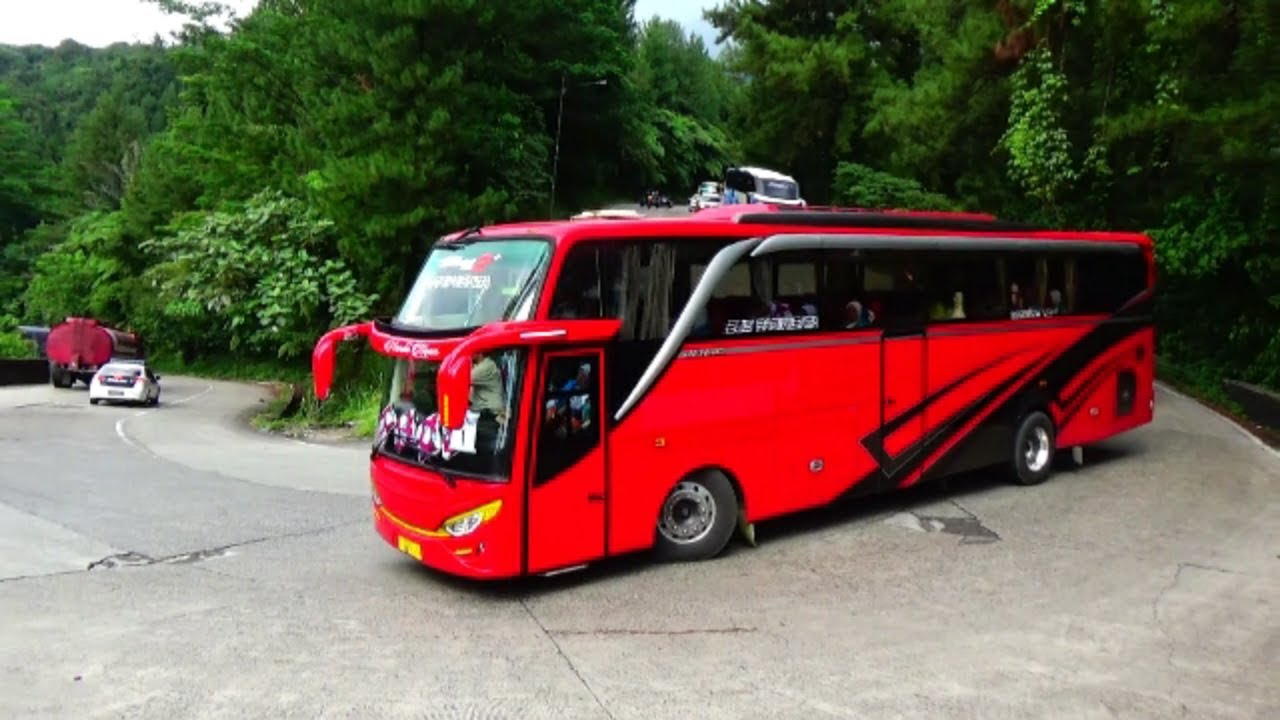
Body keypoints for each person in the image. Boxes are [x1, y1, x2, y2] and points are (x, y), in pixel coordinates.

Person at [469, 353, 506, 423]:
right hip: (485, 415)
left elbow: (462, 379)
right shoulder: (479, 366)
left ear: (480, 353)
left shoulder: (486, 367)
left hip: (490, 416)